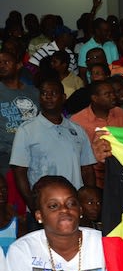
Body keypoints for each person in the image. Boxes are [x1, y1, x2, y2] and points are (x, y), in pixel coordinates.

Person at [10, 79, 96, 212]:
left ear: (63, 98)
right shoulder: (27, 130)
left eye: (54, 93)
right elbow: (19, 172)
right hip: (43, 206)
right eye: (44, 93)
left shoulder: (77, 130)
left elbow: (87, 170)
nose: (48, 96)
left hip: (73, 205)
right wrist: (34, 206)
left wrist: (88, 201)